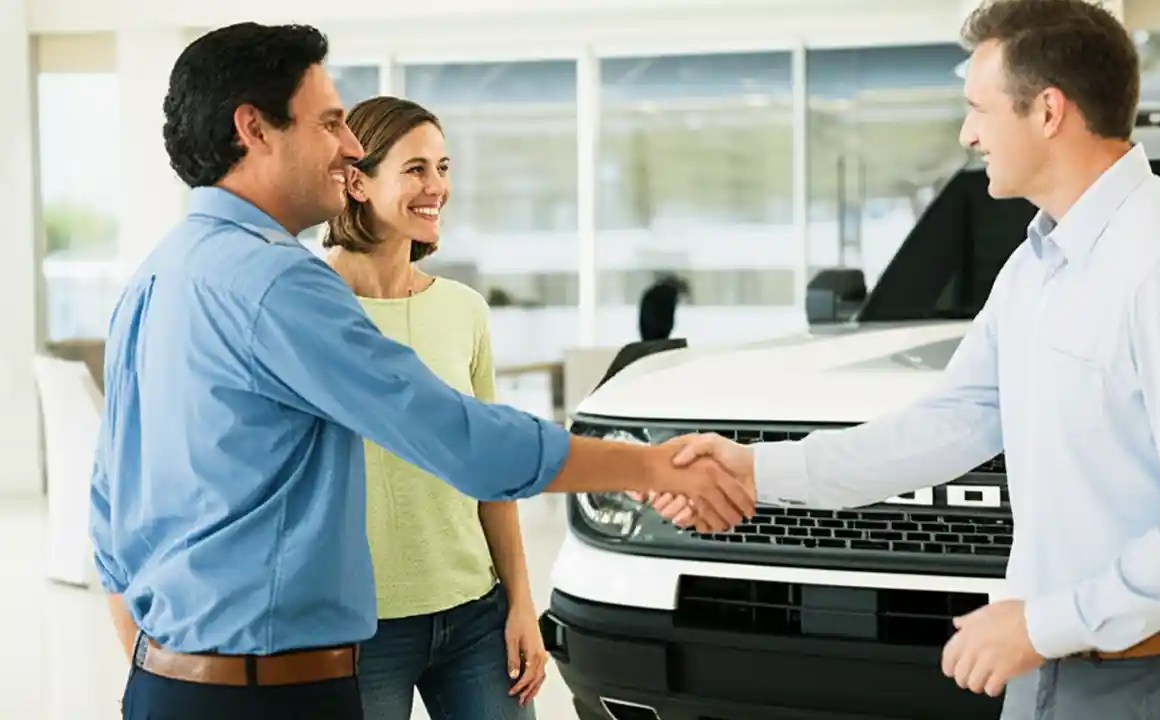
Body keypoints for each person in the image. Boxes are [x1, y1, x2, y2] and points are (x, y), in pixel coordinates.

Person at [88, 23, 754, 720]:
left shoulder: (158, 273)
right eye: (330, 122)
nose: (348, 148)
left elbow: (108, 502)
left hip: (170, 683)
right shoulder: (279, 283)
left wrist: (161, 665)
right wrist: (651, 470)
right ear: (253, 129)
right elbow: (463, 440)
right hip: (271, 693)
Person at [657, 1, 1160, 717]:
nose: (967, 132)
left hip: (1154, 682)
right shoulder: (1035, 267)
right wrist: (756, 468)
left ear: (1048, 110)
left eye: (978, 108)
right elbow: (950, 423)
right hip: (1043, 675)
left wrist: (1040, 623)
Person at [321, 96, 544, 719]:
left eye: (443, 168)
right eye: (416, 169)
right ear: (358, 181)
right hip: (359, 628)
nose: (437, 187)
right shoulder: (307, 305)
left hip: (475, 614)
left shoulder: (464, 309)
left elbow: (491, 464)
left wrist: (521, 602)